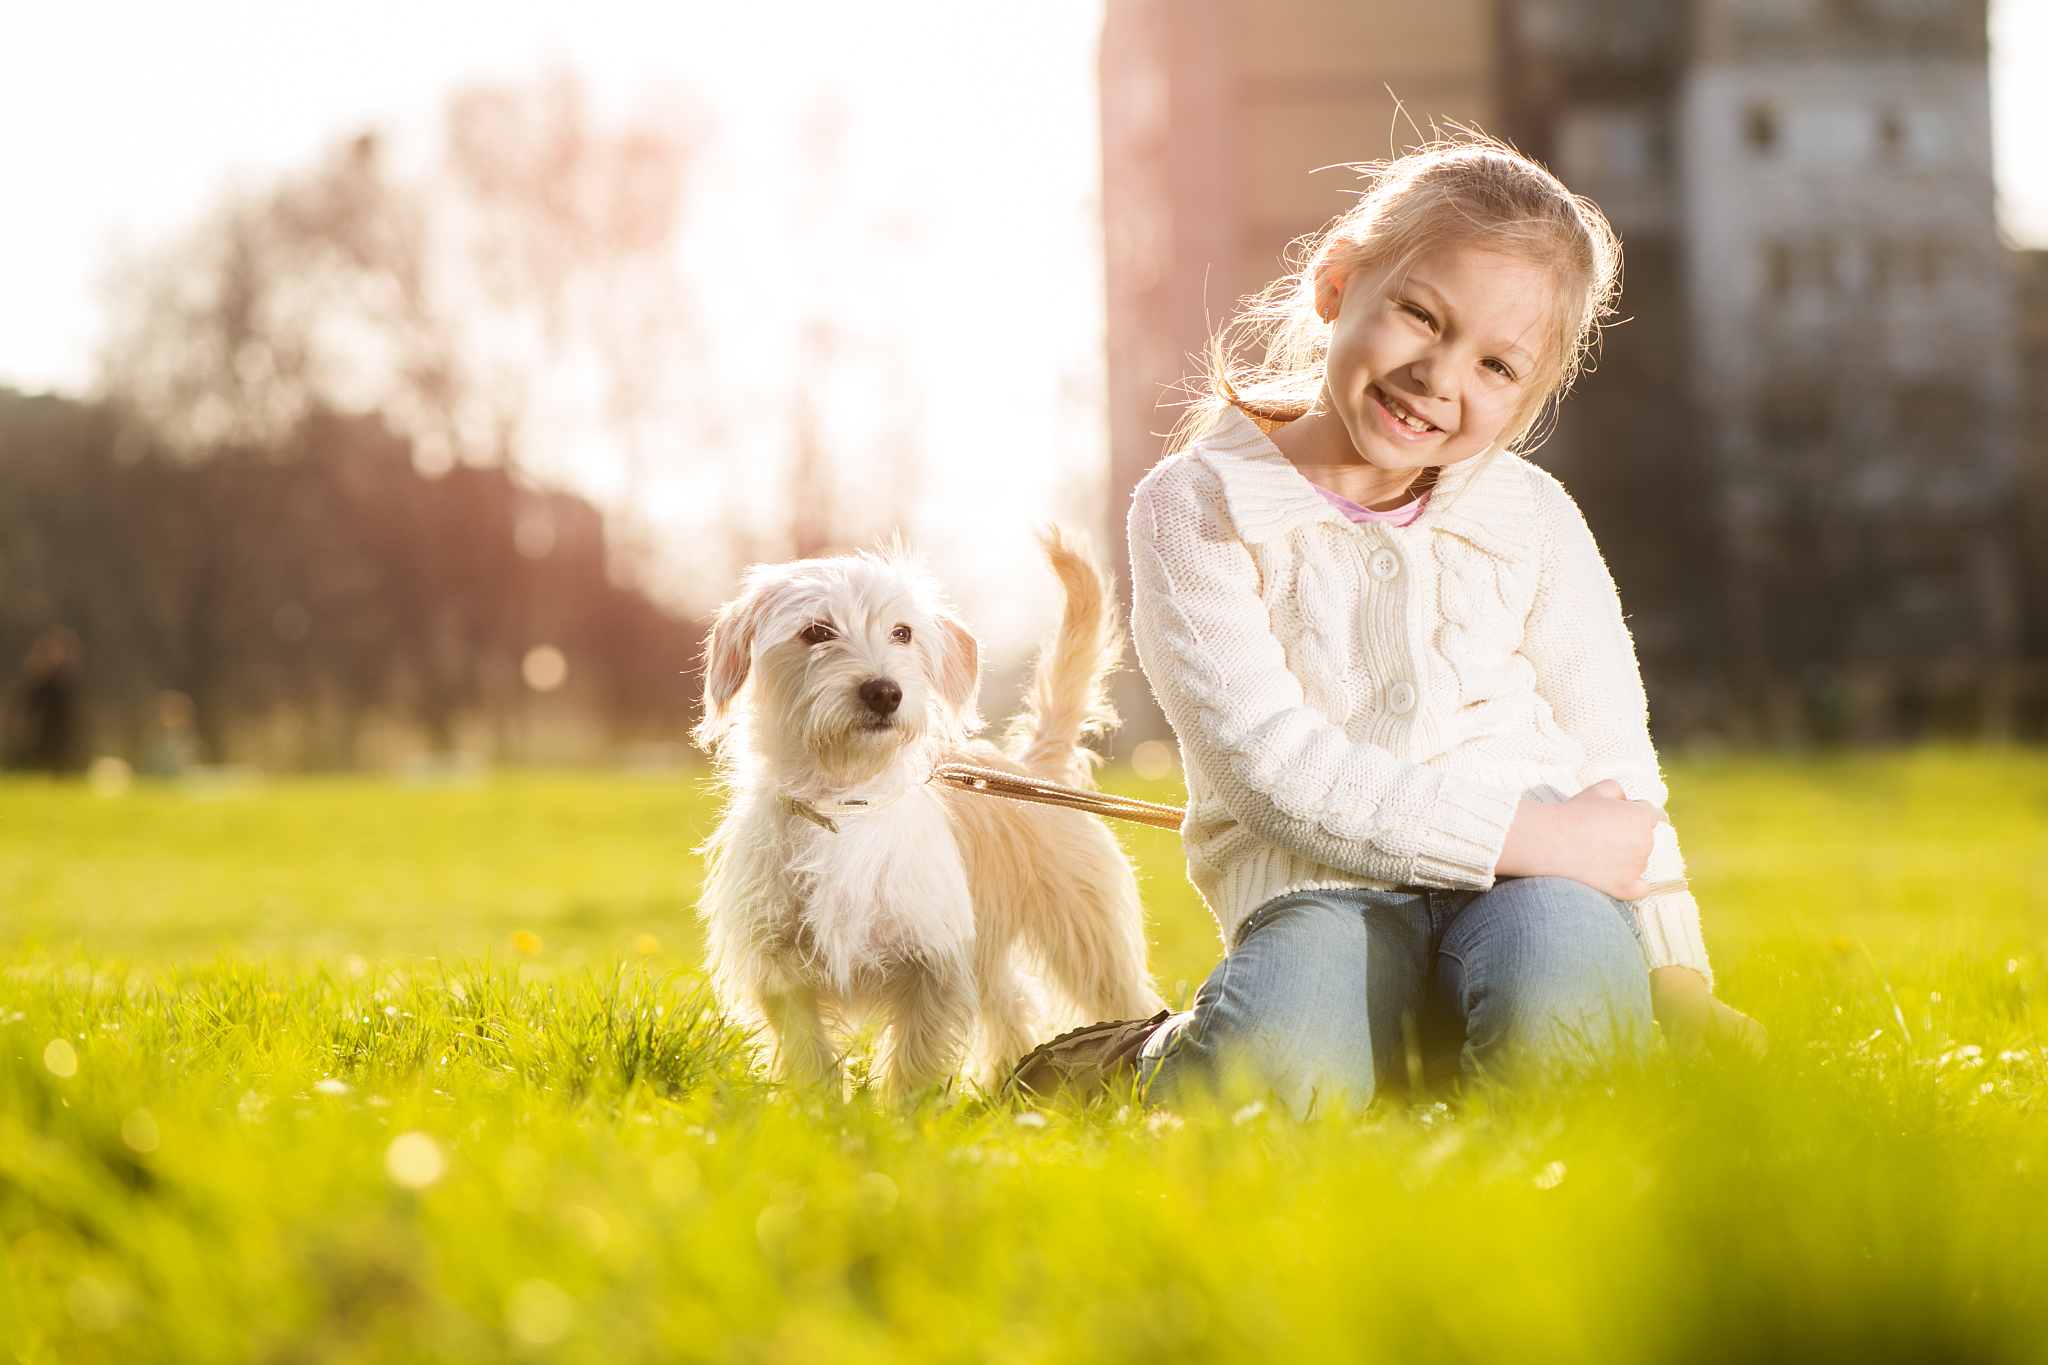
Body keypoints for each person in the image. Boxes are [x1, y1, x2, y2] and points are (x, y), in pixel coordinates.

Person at [1015, 138, 1764, 1115]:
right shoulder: (1195, 507)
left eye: (1495, 364)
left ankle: (1438, 1061)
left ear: (1528, 396)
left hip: (1542, 896)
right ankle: (1139, 1059)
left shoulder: (1532, 517)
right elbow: (1273, 772)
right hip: (1324, 894)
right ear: (1336, 282)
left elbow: (1613, 765)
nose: (1437, 377)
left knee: (1570, 1049)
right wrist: (1533, 835)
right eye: (1419, 315)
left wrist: (1675, 977)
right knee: (1273, 1090)